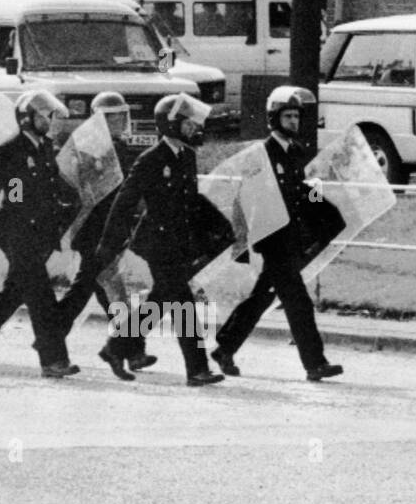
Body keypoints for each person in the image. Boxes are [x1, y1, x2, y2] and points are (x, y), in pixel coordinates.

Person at [211, 86, 345, 382]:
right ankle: (315, 363)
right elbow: (247, 198)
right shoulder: (261, 155)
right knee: (299, 303)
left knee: (260, 298)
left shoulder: (296, 152)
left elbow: (302, 193)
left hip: (290, 239)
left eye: (297, 116)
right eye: (288, 116)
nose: (294, 121)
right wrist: (252, 240)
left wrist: (328, 213)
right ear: (274, 118)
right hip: (274, 242)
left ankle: (224, 347)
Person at [94, 93, 226, 387]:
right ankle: (197, 370)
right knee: (184, 304)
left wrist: (219, 226)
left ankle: (115, 348)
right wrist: (108, 243)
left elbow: (191, 201)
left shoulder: (187, 156)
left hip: (178, 243)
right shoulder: (150, 159)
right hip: (157, 243)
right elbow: (124, 203)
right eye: (188, 122)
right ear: (171, 124)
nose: (194, 128)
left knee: (162, 301)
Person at [0, 90, 82, 378]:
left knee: (14, 294)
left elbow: (52, 184)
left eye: (49, 115)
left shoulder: (45, 147)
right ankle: (53, 360)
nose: (49, 121)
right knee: (41, 296)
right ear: (27, 118)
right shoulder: (9, 152)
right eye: (43, 115)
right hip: (16, 232)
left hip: (37, 234)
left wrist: (73, 198)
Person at [55, 91, 156, 381]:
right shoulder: (87, 150)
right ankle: (131, 350)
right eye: (114, 117)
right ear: (100, 119)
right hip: (92, 232)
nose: (121, 122)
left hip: (109, 232)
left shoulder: (120, 149)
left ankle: (52, 336)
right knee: (107, 293)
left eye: (122, 116)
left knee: (93, 291)